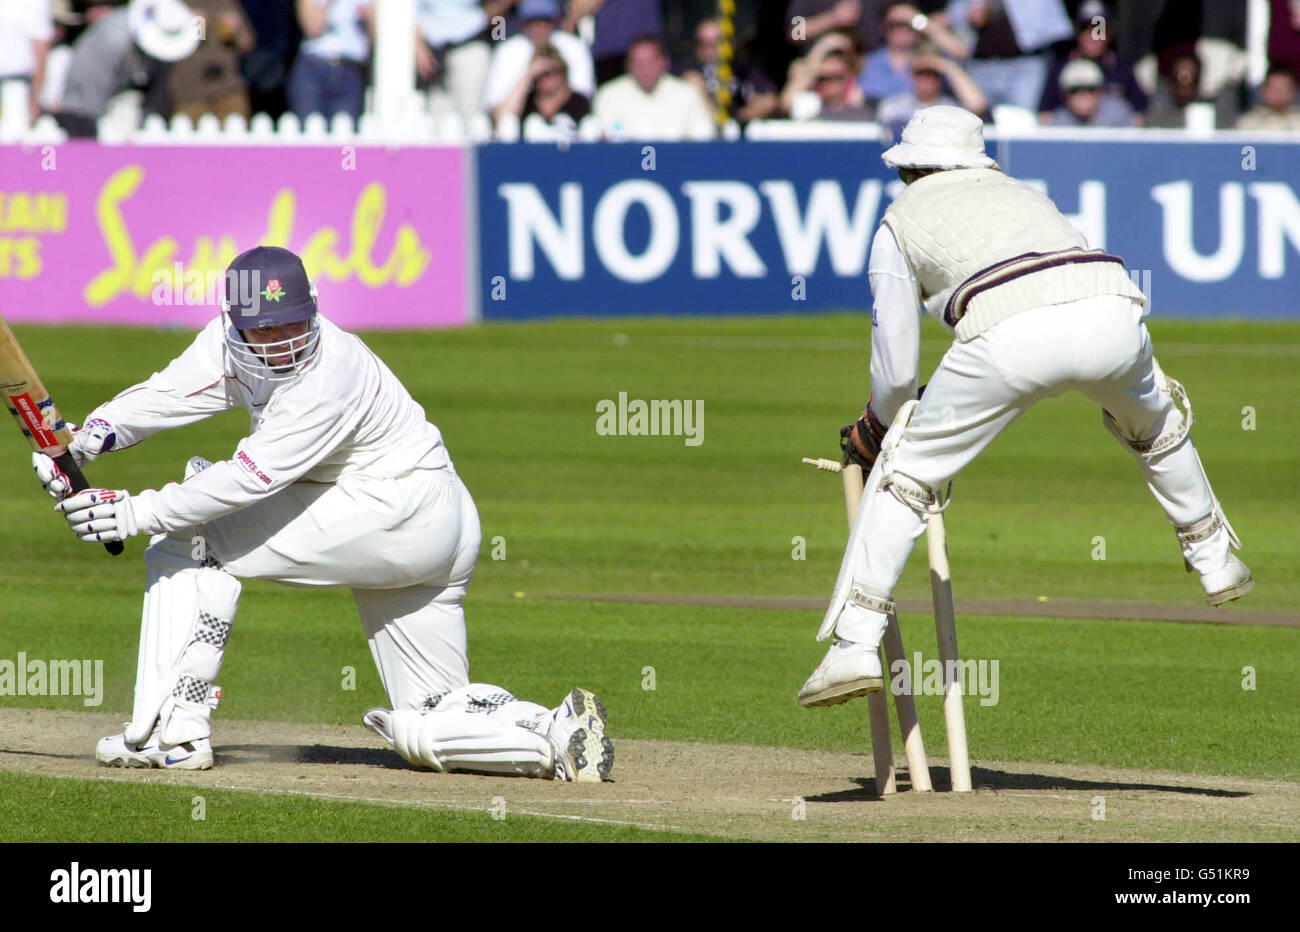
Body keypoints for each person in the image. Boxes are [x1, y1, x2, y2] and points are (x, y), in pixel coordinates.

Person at [32, 245, 614, 783]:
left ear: (314, 311)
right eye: (268, 328)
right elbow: (166, 396)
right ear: (236, 325)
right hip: (434, 520)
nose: (286, 340)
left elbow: (246, 480)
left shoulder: (331, 374)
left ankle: (172, 730)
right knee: (425, 720)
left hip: (394, 512)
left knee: (193, 533)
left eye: (296, 322)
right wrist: (85, 440)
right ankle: (552, 735)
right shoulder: (225, 346)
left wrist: (136, 512)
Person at [797, 106, 1252, 709]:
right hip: (1113, 310)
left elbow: (898, 370)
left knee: (907, 475)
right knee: (1157, 426)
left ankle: (853, 646)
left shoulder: (897, 221)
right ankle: (1214, 558)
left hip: (1006, 332)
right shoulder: (1024, 194)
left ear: (911, 168)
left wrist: (879, 428)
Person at [54, 0, 200, 137]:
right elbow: (87, 96)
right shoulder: (112, 39)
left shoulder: (159, 49)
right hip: (85, 108)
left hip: (125, 114)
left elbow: (155, 89)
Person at [1037, 0, 1146, 125]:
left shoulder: (1121, 68)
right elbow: (1045, 115)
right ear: (1077, 31)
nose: (1093, 36)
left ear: (1110, 32)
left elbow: (1139, 114)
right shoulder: (1061, 67)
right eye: (1086, 29)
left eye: (1099, 29)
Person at [481, 0, 594, 112]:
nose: (540, 26)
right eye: (533, 22)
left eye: (545, 21)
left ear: (554, 22)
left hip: (568, 121)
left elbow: (584, 100)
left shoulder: (573, 46)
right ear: (523, 25)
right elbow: (498, 114)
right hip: (522, 123)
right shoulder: (508, 50)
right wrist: (530, 75)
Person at [592, 34, 713, 138]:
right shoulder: (609, 95)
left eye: (651, 62)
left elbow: (703, 140)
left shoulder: (687, 94)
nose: (645, 69)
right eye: (638, 63)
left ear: (665, 62)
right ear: (628, 66)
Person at [679, 17, 778, 125]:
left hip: (739, 132)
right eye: (703, 43)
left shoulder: (743, 70)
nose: (709, 49)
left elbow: (769, 101)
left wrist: (737, 119)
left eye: (715, 43)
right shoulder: (690, 72)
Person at [167, 0, 255, 122]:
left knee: (234, 135)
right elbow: (165, 45)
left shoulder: (227, 4)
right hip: (190, 92)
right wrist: (191, 29)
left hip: (228, 89)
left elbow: (247, 43)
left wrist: (236, 31)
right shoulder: (178, 5)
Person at [287, 0, 371, 122]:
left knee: (345, 132)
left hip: (351, 69)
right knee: (310, 129)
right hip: (315, 68)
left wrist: (370, 16)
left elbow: (375, 38)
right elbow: (313, 28)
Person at [876, 46, 986, 136]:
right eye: (922, 74)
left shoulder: (949, 106)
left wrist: (948, 67)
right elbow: (886, 121)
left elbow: (977, 105)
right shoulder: (896, 105)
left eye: (934, 74)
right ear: (912, 76)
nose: (928, 79)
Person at [492, 44, 590, 139]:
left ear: (563, 72)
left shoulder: (578, 101)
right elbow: (501, 117)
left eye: (553, 71)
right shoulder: (527, 101)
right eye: (541, 74)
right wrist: (528, 75)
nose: (546, 78)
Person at [0, 0, 54, 127]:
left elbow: (41, 49)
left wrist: (35, 100)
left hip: (13, 88)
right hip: (13, 86)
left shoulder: (34, 3)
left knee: (11, 138)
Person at [1046, 57, 1132, 127]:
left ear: (1100, 92)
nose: (1083, 95)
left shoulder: (1117, 113)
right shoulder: (1059, 123)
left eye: (1090, 89)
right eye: (1074, 90)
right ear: (1064, 95)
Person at [1236, 63, 1300, 132]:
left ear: (1294, 90)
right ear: (1263, 90)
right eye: (1275, 89)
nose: (1279, 94)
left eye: (1284, 89)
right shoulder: (1249, 122)